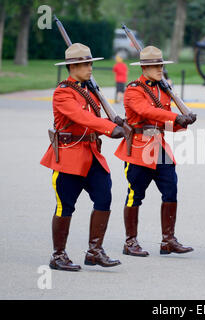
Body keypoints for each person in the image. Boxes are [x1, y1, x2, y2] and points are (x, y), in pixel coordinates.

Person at [40, 43, 125, 271]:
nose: (90, 67)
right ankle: (58, 256)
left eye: (91, 63)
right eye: (85, 64)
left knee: (104, 198)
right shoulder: (63, 93)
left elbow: (96, 116)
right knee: (65, 206)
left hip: (92, 156)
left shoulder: (88, 90)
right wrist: (109, 128)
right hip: (69, 158)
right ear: (73, 66)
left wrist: (116, 121)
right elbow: (81, 117)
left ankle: (95, 251)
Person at [114, 46, 196, 257]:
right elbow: (145, 111)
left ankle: (168, 240)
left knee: (171, 191)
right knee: (135, 195)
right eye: (154, 65)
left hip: (159, 147)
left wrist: (183, 122)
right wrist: (174, 117)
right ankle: (130, 242)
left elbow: (164, 122)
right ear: (143, 67)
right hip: (139, 148)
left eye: (160, 64)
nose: (159, 68)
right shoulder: (133, 89)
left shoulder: (162, 90)